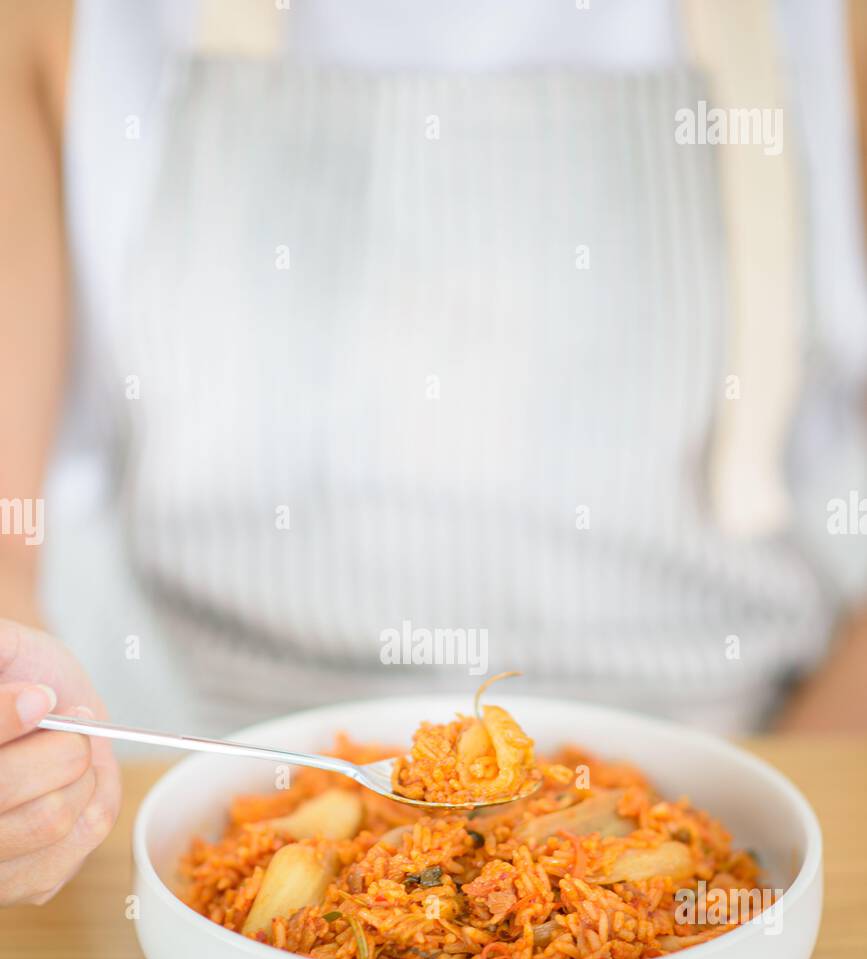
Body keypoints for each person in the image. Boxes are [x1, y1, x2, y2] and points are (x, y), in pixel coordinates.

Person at [1, 0, 866, 906]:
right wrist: (25, 734)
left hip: (747, 780)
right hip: (220, 804)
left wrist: (767, 842)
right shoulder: (42, 24)